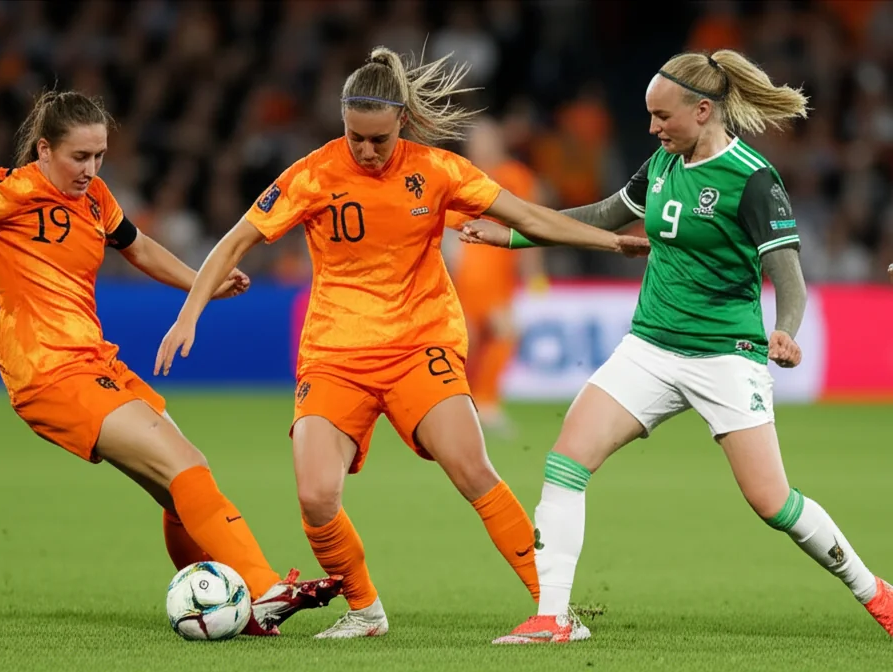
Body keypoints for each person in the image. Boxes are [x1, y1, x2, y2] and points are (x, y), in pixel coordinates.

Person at [154, 46, 650, 639]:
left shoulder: (438, 171)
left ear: (402, 125)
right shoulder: (312, 174)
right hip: (336, 354)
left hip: (421, 344)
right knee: (315, 496)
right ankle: (365, 611)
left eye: (378, 140)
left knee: (471, 467)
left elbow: (529, 216)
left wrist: (613, 244)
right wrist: (190, 313)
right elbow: (236, 240)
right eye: (354, 136)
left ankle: (552, 609)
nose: (364, 150)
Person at [459, 50, 893, 643]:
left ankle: (876, 593)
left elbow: (788, 276)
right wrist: (513, 235)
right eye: (650, 117)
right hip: (650, 349)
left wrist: (785, 328)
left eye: (662, 117)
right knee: (565, 462)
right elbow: (605, 216)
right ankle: (553, 617)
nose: (653, 128)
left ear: (704, 110)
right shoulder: (663, 162)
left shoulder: (753, 179)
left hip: (725, 355)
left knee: (773, 502)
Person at [0, 90, 341, 636]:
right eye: (79, 157)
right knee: (184, 467)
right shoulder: (13, 190)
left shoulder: (95, 197)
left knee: (183, 485)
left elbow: (138, 247)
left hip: (96, 360)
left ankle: (220, 609)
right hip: (48, 370)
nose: (91, 169)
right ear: (44, 150)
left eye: (99, 156)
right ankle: (263, 590)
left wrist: (202, 284)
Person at [445, 116, 547, 436]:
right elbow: (443, 223)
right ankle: (482, 404)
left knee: (480, 340)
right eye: (476, 141)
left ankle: (464, 407)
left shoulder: (513, 177)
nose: (480, 146)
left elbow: (532, 224)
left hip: (498, 272)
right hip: (472, 272)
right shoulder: (462, 177)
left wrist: (534, 271)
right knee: (495, 334)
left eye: (485, 140)